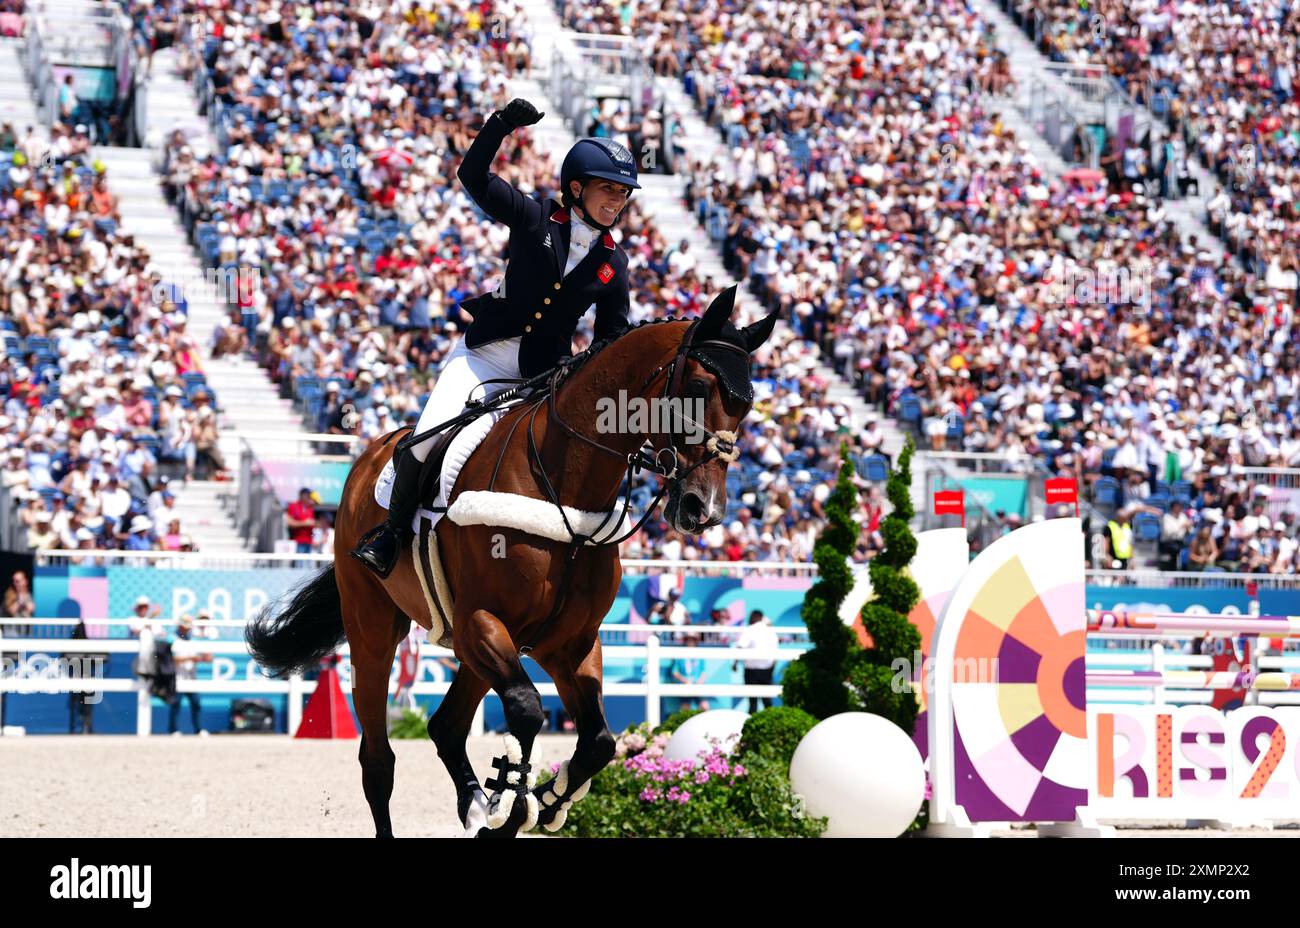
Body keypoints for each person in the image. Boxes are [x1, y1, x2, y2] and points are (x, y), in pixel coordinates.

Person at [351, 97, 640, 577]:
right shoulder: (535, 218)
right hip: (482, 359)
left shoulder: (616, 264)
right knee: (423, 442)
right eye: (608, 188)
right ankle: (391, 533)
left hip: (541, 378)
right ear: (576, 187)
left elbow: (612, 339)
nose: (617, 200)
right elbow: (474, 177)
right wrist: (501, 125)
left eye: (624, 192)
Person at [168, 613, 211, 735]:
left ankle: (198, 729)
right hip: (177, 677)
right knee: (176, 704)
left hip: (191, 678)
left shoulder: (193, 640)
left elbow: (207, 657)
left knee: (196, 703)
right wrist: (191, 658)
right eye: (185, 626)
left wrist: (204, 658)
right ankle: (173, 729)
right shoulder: (171, 639)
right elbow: (170, 659)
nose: (187, 628)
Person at [733, 609, 779, 713]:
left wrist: (735, 663)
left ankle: (751, 727)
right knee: (767, 702)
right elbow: (776, 654)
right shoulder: (771, 631)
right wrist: (772, 669)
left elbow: (740, 647)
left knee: (752, 703)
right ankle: (772, 725)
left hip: (752, 671)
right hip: (767, 670)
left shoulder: (750, 630)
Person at [286, 487, 316, 557]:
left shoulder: (310, 508)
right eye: (306, 494)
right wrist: (304, 523)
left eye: (309, 495)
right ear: (301, 495)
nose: (308, 496)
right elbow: (290, 523)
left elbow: (314, 523)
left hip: (309, 542)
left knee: (307, 566)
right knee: (299, 565)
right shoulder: (293, 506)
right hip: (297, 541)